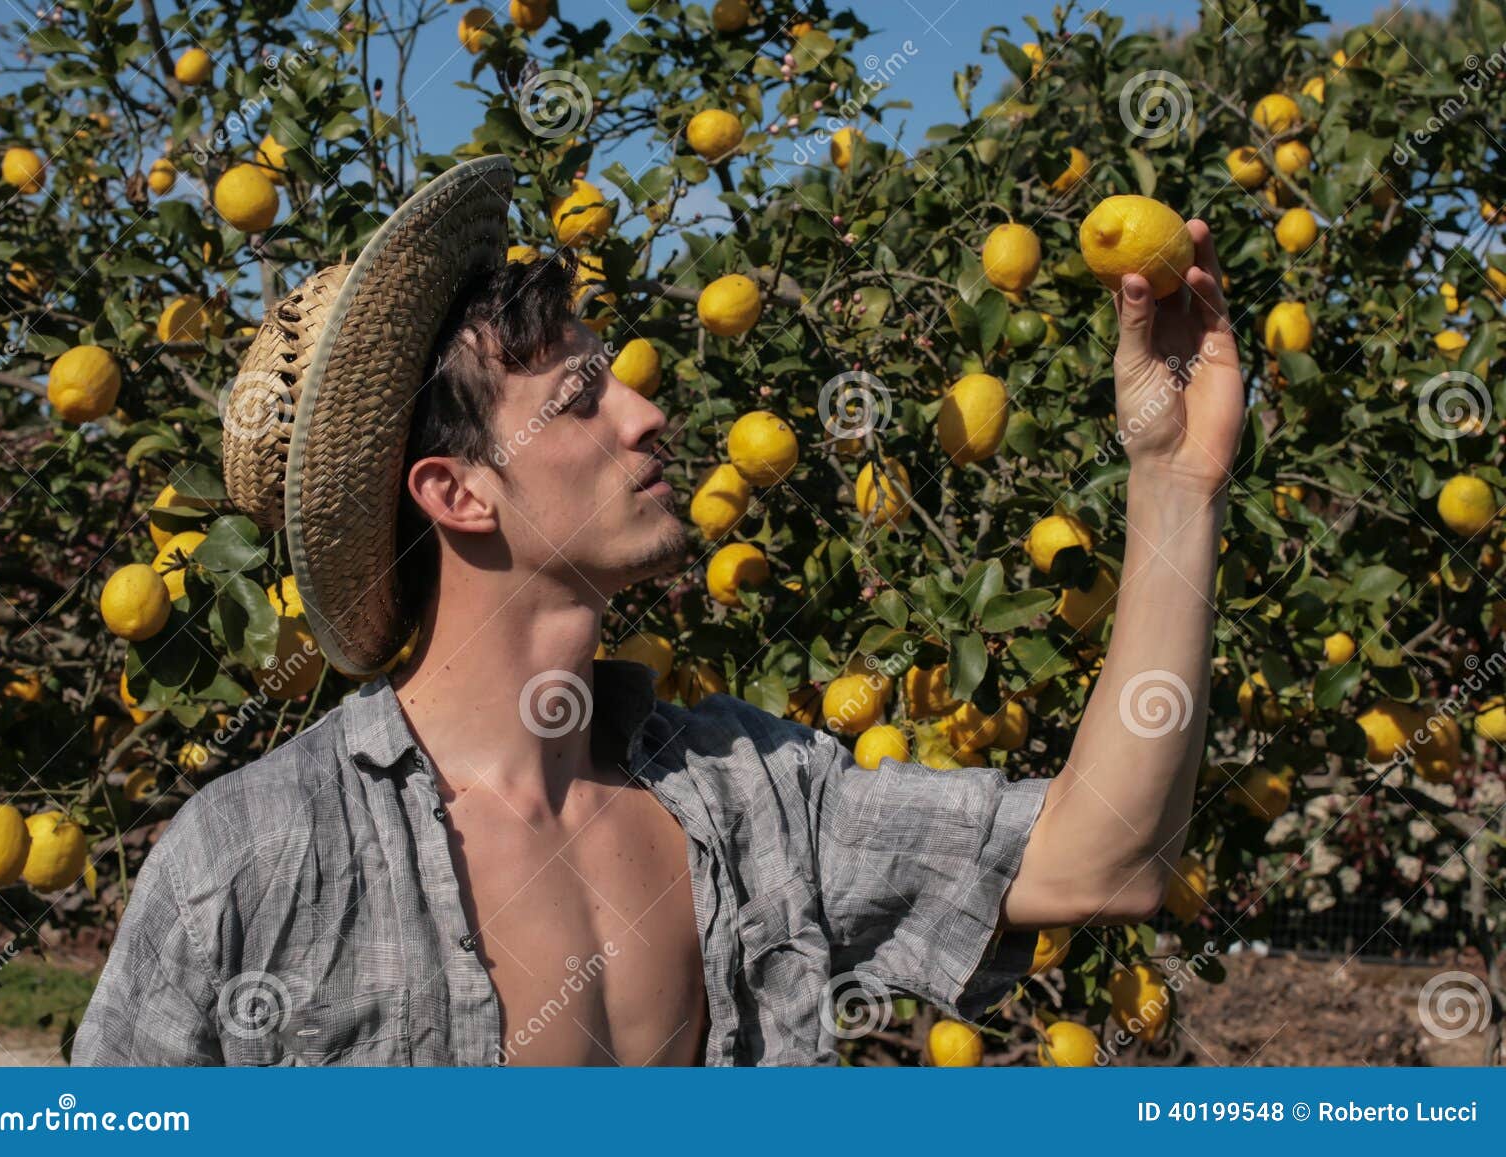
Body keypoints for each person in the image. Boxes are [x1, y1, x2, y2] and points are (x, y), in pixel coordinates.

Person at [73, 156, 1242, 1066]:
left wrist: (1175, 480)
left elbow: (1109, 857)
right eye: (582, 396)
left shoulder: (749, 796)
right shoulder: (254, 859)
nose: (646, 413)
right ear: (457, 491)